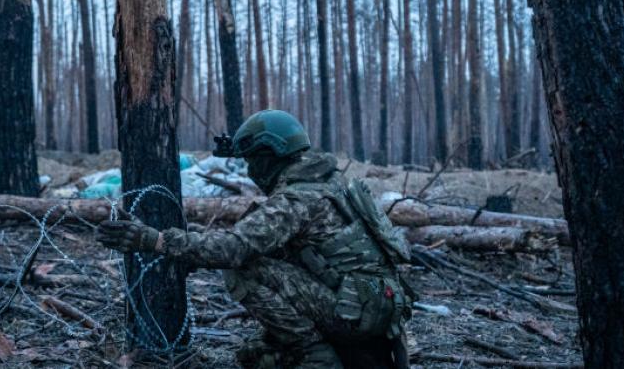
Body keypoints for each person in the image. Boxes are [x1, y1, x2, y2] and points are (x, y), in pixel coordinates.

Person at [98, 110, 412, 369]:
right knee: (257, 355)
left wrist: (154, 240)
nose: (250, 170)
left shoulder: (296, 200)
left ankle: (316, 355)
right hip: (376, 310)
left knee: (242, 269)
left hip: (354, 313)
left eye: (252, 160)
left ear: (270, 155)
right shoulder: (332, 182)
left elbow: (232, 249)